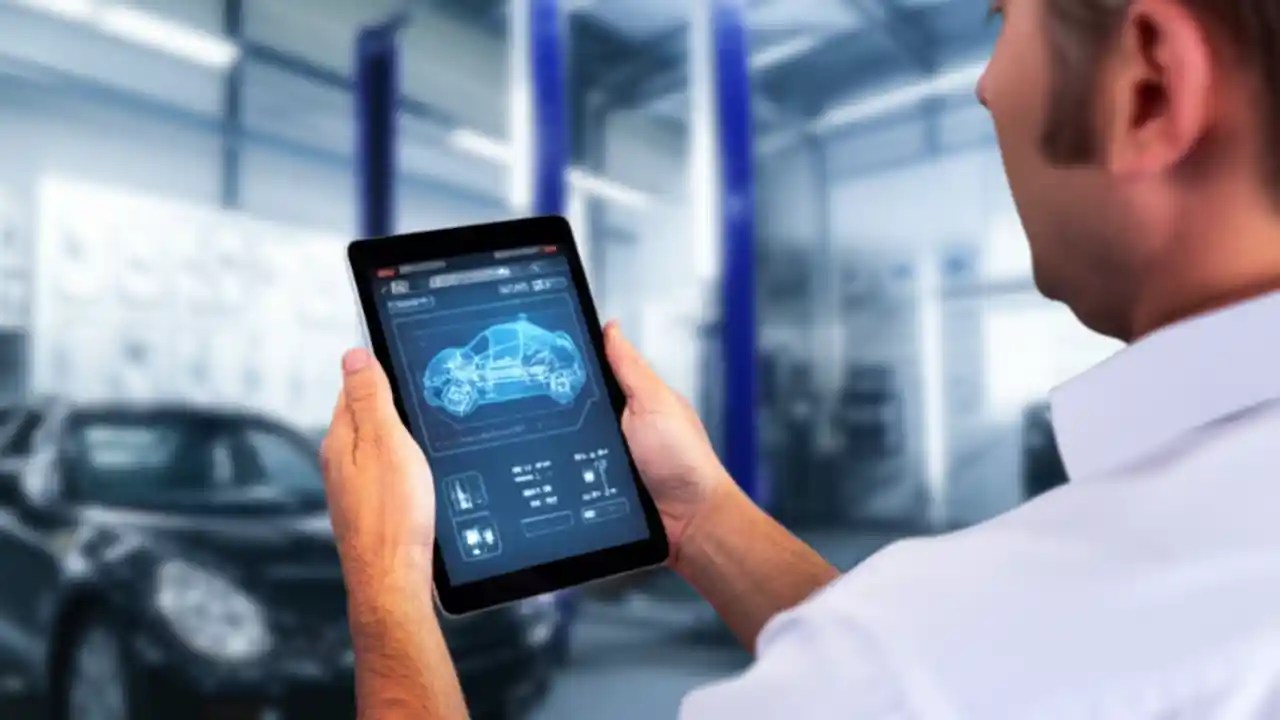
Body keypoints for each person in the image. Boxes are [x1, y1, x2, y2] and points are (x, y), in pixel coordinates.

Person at [320, 0, 1280, 716]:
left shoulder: (955, 652)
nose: (986, 83)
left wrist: (385, 583)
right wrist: (701, 514)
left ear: (1148, 84)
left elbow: (914, 676)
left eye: (1003, 19)